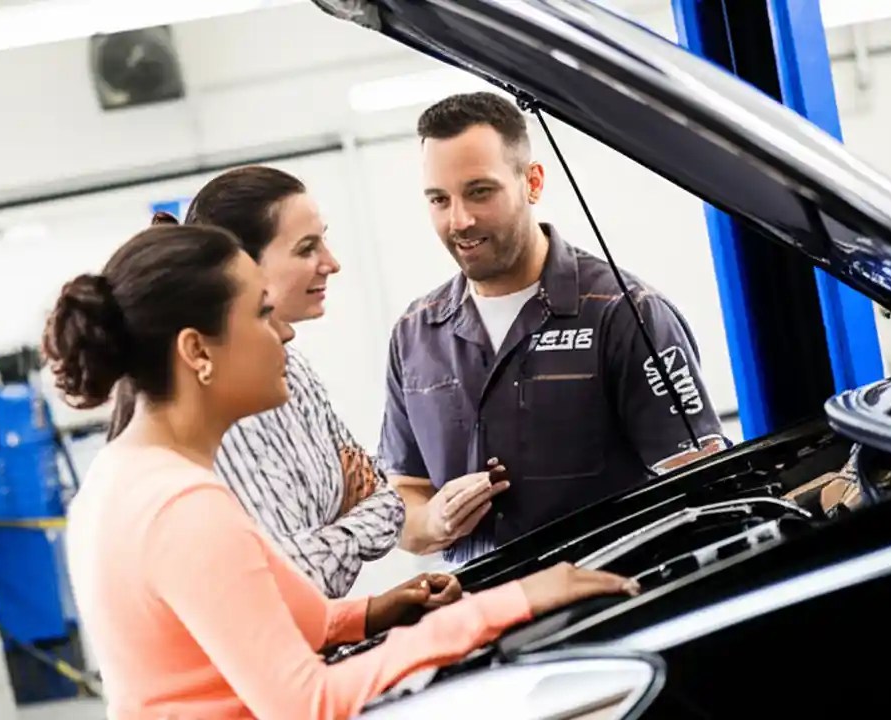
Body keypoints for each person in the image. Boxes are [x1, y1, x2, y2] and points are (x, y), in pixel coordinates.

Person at [45, 222, 640, 718]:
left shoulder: (123, 476)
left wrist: (372, 614)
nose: (284, 332)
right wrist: (510, 603)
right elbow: (310, 704)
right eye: (262, 313)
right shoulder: (182, 509)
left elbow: (275, 622)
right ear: (197, 351)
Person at [380, 91, 729, 566]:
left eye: (480, 192)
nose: (459, 220)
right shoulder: (415, 334)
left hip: (613, 613)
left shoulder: (625, 314)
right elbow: (405, 492)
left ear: (533, 182)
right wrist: (429, 522)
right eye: (440, 200)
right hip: (484, 623)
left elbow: (702, 484)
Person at [105, 166, 404, 598]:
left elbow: (385, 498)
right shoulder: (216, 402)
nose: (332, 262)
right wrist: (348, 523)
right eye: (306, 248)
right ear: (242, 268)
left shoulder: (292, 369)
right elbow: (293, 582)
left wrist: (331, 531)